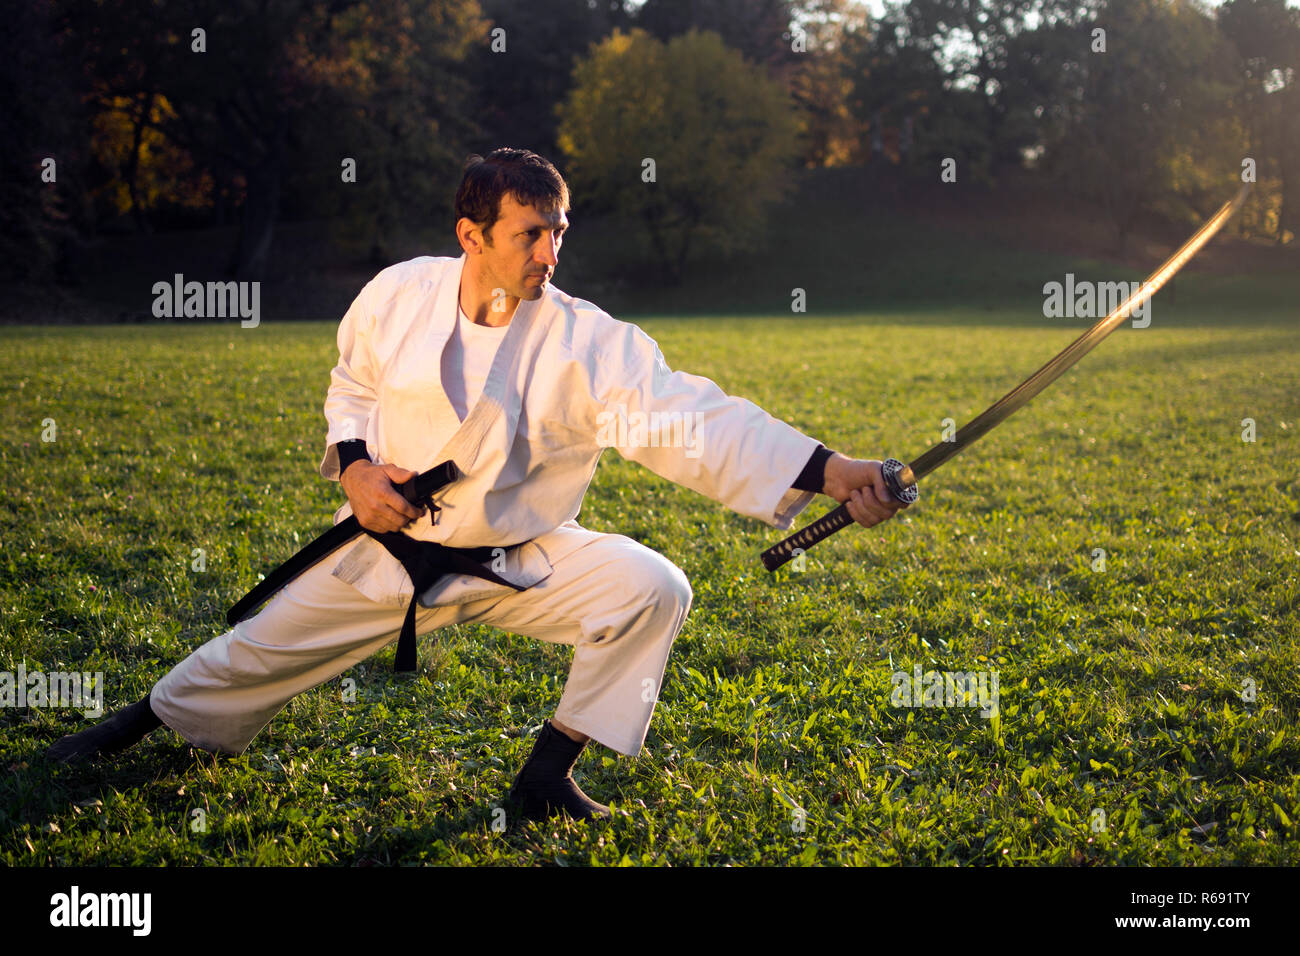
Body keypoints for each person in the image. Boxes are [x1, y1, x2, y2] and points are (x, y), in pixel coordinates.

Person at [45, 148, 908, 823]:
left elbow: (693, 418)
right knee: (250, 654)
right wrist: (354, 469)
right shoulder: (398, 295)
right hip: (388, 551)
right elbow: (351, 386)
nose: (550, 251)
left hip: (512, 557)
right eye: (529, 233)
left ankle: (544, 777)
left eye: (559, 230)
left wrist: (834, 474)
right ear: (471, 235)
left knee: (651, 588)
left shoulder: (588, 342)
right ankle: (137, 724)